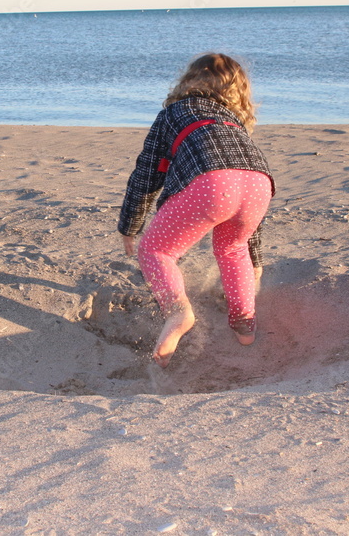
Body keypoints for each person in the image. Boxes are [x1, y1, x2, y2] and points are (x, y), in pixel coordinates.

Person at [118, 53, 275, 367]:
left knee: (156, 250)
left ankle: (177, 311)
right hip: (261, 182)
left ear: (187, 81)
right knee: (234, 247)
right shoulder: (235, 124)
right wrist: (256, 258)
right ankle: (245, 325)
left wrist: (130, 226)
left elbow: (147, 175)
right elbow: (245, 197)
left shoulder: (174, 112)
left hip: (213, 184)